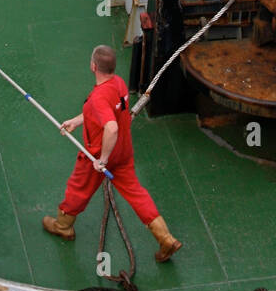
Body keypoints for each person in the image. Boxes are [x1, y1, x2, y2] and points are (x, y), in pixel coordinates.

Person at [42, 44, 182, 263]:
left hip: (99, 155)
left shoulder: (98, 96)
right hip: (123, 151)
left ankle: (63, 226)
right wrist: (77, 121)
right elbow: (104, 112)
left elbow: (111, 127)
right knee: (135, 192)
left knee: (78, 188)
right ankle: (165, 238)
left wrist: (102, 159)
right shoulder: (118, 83)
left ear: (93, 66)